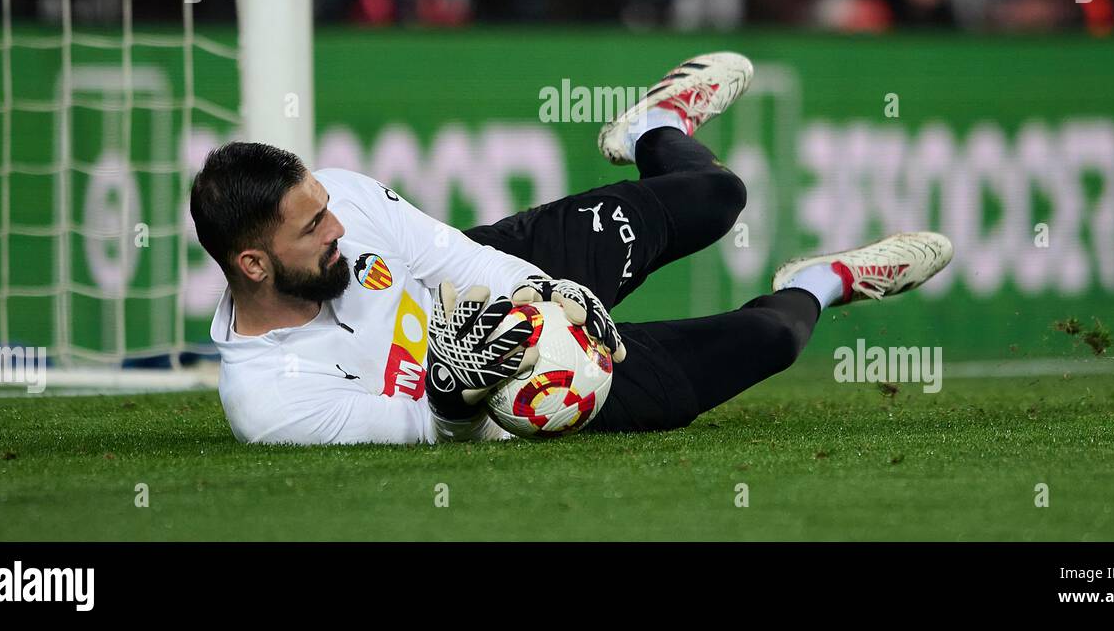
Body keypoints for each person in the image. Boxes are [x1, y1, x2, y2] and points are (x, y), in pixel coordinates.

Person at [190, 52, 952, 444]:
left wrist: (543, 292)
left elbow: (454, 256)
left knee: (716, 198)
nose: (338, 230)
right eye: (312, 229)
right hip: (524, 403)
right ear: (252, 264)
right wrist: (457, 395)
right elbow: (428, 434)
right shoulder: (270, 401)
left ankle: (655, 127)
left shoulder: (343, 201)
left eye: (327, 208)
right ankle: (824, 279)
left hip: (497, 284)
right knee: (769, 339)